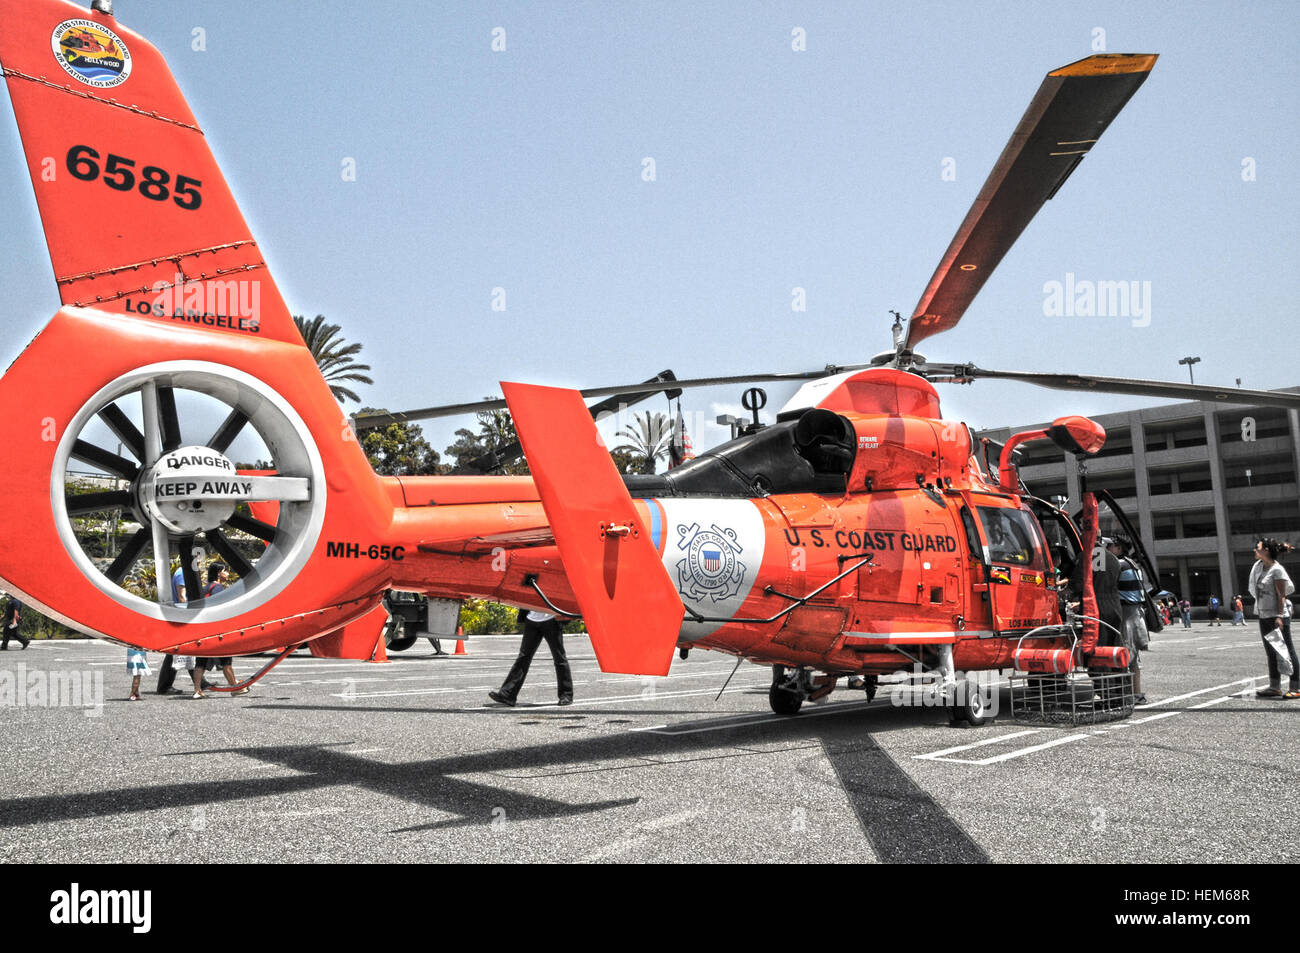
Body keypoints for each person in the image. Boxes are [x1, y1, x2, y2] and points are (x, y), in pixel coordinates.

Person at [488, 608, 573, 707]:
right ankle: (508, 695)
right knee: (523, 658)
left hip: (551, 620)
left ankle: (566, 695)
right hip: (531, 620)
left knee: (559, 658)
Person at [1249, 539, 1297, 699]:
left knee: (1287, 651)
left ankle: (1296, 687)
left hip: (1278, 616)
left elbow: (1281, 595)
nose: (1255, 550)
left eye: (1258, 548)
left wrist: (1279, 616)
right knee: (1271, 652)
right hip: (1264, 615)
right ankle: (1274, 686)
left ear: (1266, 550)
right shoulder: (1259, 567)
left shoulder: (1277, 570)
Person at [191, 565, 249, 698]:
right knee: (226, 661)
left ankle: (197, 690)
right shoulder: (217, 588)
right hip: (217, 630)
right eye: (225, 571)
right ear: (218, 573)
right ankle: (235, 688)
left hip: (204, 628)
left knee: (201, 661)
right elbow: (220, 607)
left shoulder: (206, 587)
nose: (227, 573)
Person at [1111, 537, 1148, 705]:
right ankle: (1136, 694)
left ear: (1119, 548)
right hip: (1137, 613)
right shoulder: (1132, 564)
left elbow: (1106, 586)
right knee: (1133, 657)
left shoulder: (1119, 565)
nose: (1107, 549)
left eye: (1110, 546)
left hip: (1127, 612)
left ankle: (1127, 695)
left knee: (1126, 654)